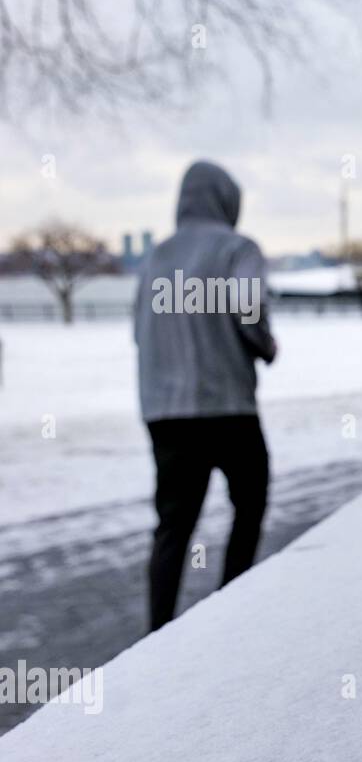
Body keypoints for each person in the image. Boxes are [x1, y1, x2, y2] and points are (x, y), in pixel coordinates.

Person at [134, 160, 277, 631]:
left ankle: (156, 631)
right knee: (250, 502)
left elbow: (139, 332)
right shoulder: (237, 248)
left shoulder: (155, 257)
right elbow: (248, 306)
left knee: (173, 526)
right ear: (227, 201)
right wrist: (265, 345)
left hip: (166, 412)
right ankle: (230, 609)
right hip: (227, 406)